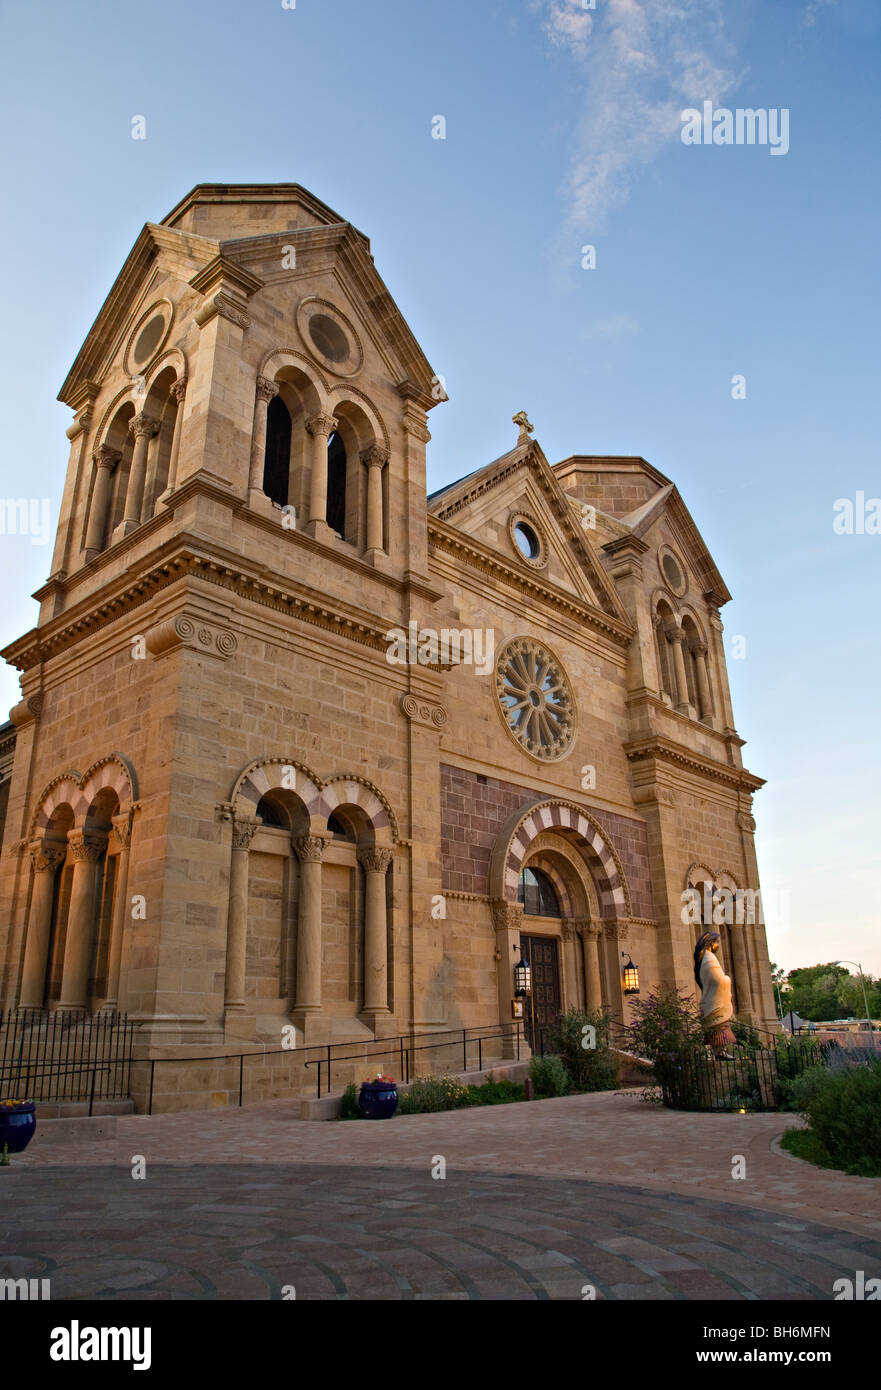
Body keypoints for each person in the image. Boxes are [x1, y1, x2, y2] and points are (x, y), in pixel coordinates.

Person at [693, 931, 736, 1060]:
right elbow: (718, 980)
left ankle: (719, 1053)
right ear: (711, 943)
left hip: (713, 1000)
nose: (718, 945)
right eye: (717, 942)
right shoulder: (709, 958)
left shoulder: (706, 957)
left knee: (719, 1030)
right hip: (714, 1003)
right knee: (719, 1030)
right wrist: (727, 979)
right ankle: (719, 1053)